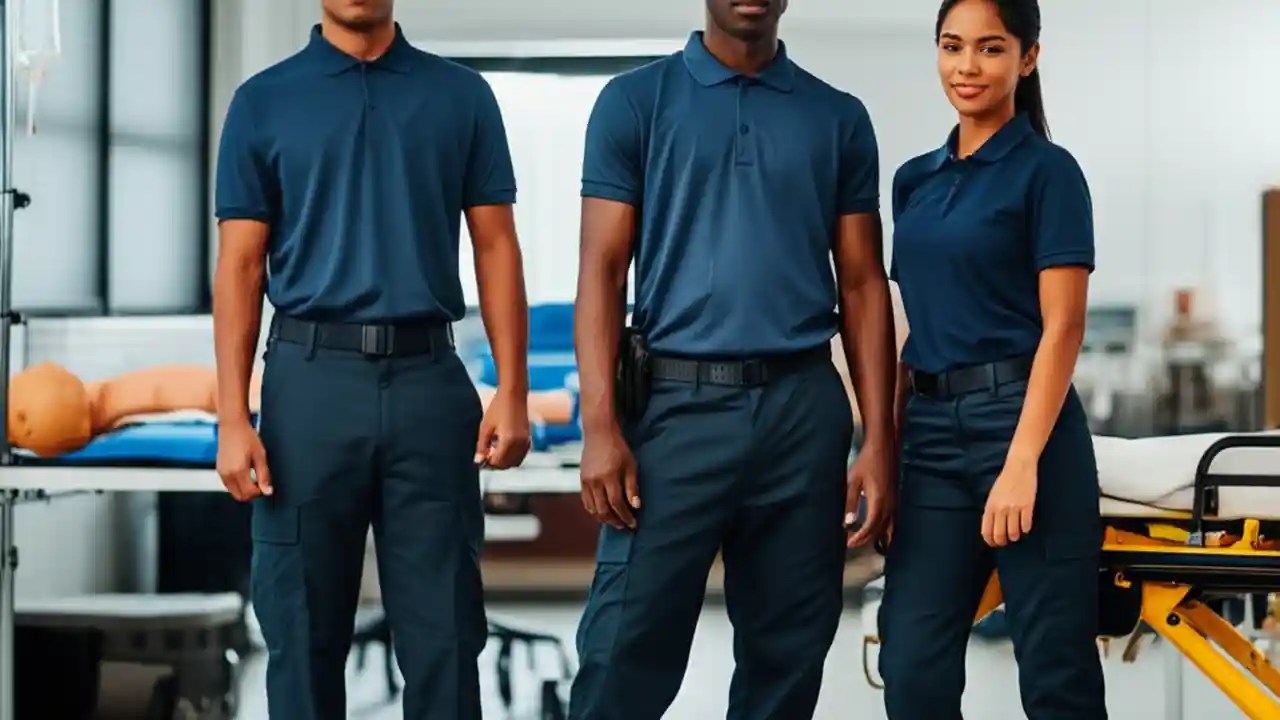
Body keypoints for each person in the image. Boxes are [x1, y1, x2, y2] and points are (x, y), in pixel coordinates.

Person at [569, 0, 898, 717]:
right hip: (674, 412)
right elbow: (601, 269)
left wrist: (878, 439)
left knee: (787, 659)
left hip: (800, 411)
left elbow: (865, 284)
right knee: (624, 652)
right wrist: (600, 426)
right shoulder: (634, 103)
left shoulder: (836, 117)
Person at [211, 1, 531, 718]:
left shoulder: (461, 97)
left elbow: (496, 246)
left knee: (445, 636)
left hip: (429, 384)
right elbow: (240, 266)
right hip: (308, 387)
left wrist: (512, 388)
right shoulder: (263, 102)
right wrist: (233, 415)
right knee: (301, 633)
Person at [876, 0, 1107, 718]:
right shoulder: (913, 180)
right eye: (952, 47)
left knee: (1054, 671)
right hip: (933, 437)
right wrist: (884, 450)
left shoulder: (1049, 173)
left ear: (1026, 58)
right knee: (910, 664)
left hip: (1025, 426)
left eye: (990, 49)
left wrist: (1021, 463)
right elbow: (911, 327)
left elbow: (1063, 326)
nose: (967, 66)